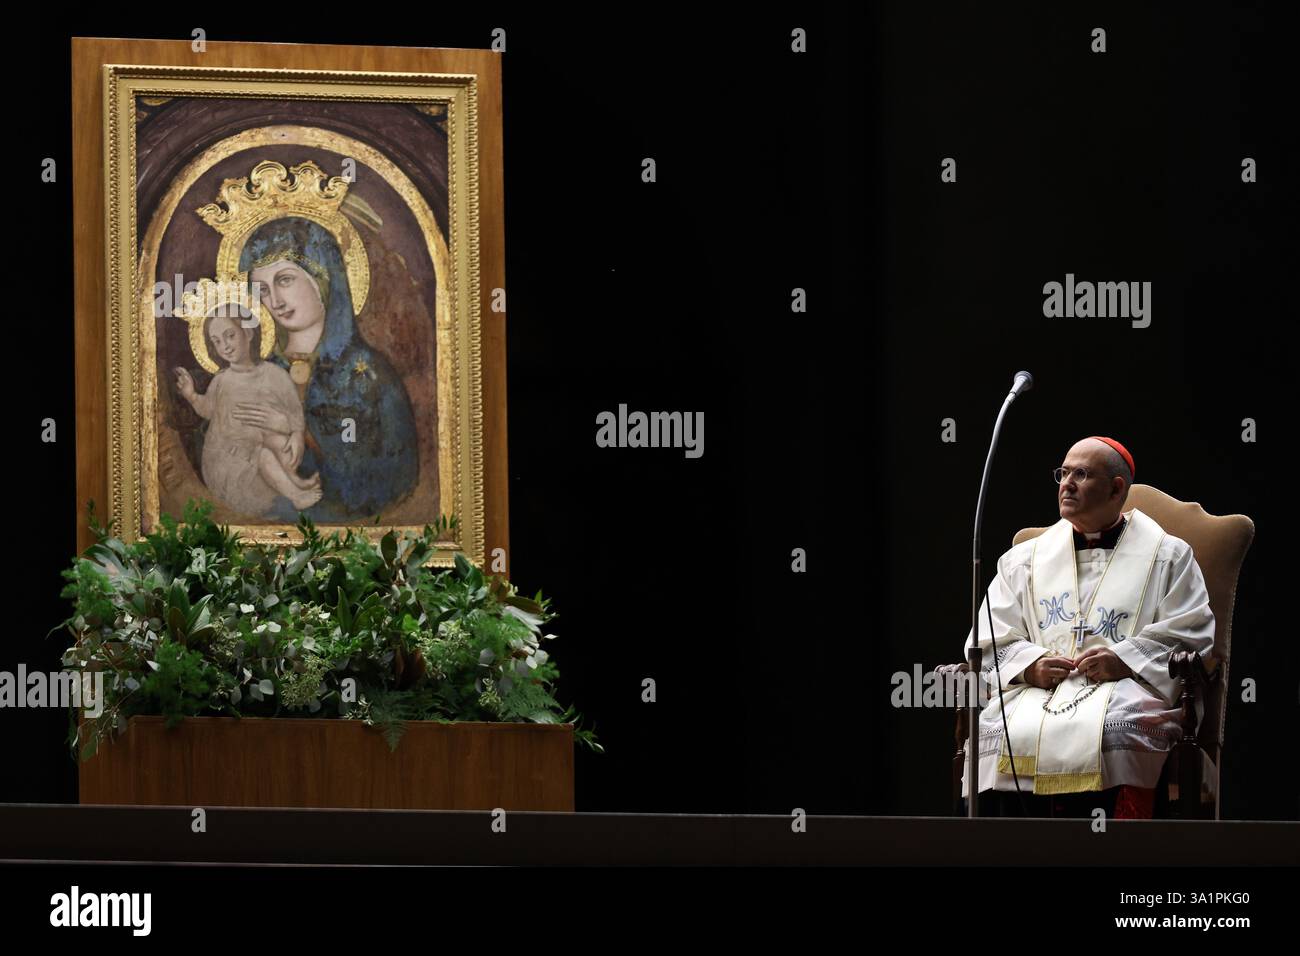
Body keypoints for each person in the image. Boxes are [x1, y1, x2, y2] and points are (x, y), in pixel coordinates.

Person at [961, 436, 1215, 818]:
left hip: (1127, 689)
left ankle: (1118, 855)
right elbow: (990, 637)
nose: (1067, 483)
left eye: (1081, 474)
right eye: (1063, 473)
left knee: (1120, 729)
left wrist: (1125, 660)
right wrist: (1030, 665)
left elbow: (1190, 635)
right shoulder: (1023, 560)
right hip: (1038, 691)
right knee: (998, 733)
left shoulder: (1168, 556)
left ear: (1116, 488)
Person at [237, 216, 419, 523]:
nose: (276, 301)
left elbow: (392, 476)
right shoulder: (260, 373)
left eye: (285, 280)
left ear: (322, 278)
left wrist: (302, 431)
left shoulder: (370, 376)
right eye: (263, 290)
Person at [174, 307, 323, 515]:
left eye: (230, 336)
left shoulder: (275, 375)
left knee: (278, 442)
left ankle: (296, 481)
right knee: (262, 453)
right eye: (216, 341)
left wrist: (297, 434)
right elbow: (208, 410)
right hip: (227, 461)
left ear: (248, 333)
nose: (224, 346)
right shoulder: (222, 380)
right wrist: (191, 395)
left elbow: (294, 410)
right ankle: (296, 496)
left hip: (255, 443)